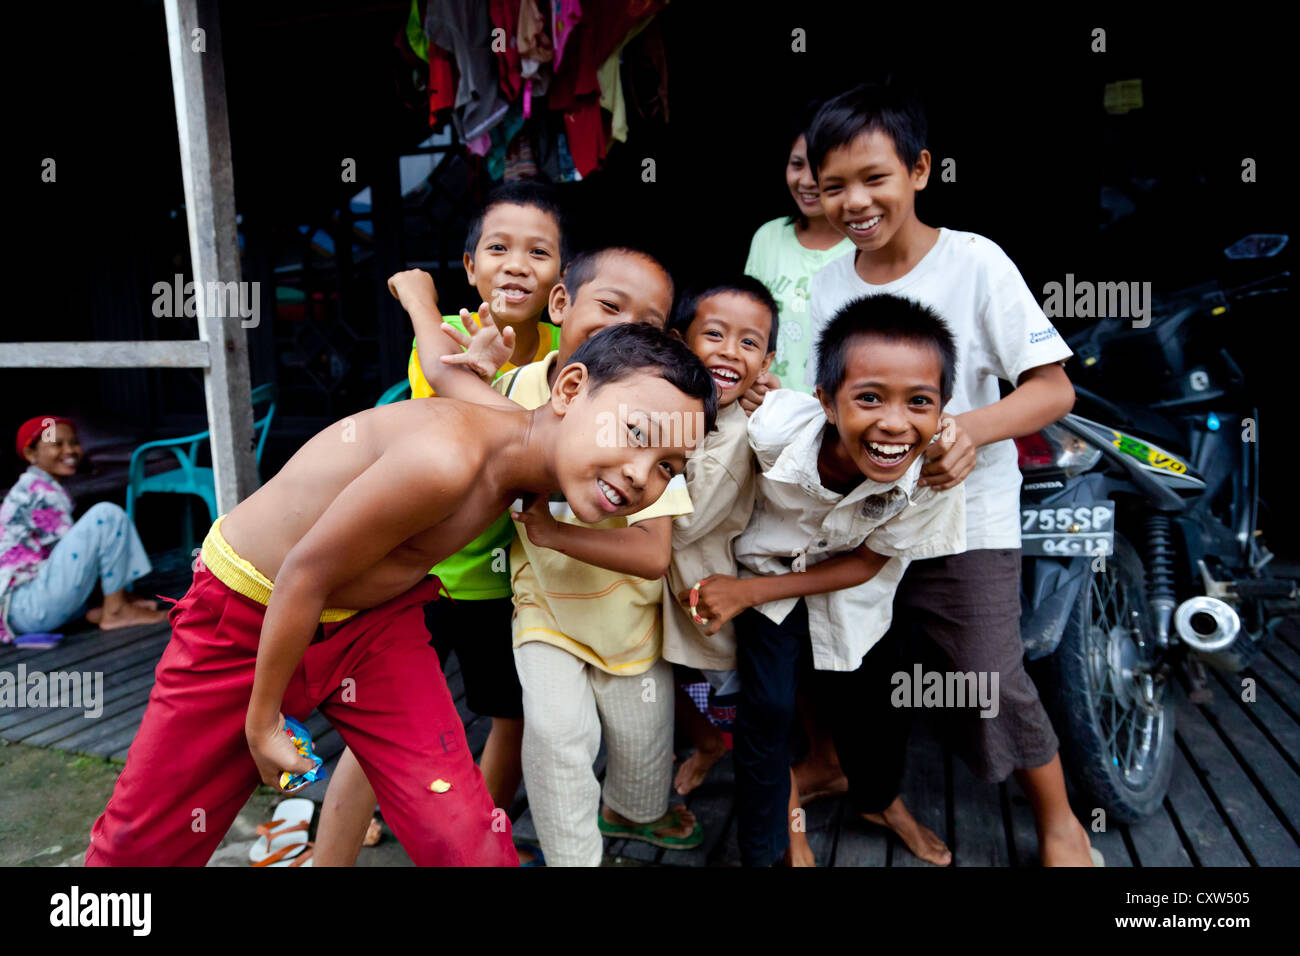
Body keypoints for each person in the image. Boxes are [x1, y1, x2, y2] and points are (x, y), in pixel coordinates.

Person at [83, 319, 715, 867]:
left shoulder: (530, 442)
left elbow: (452, 374)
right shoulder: (448, 459)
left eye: (669, 466)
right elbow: (306, 572)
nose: (641, 473)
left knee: (462, 830)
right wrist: (263, 719)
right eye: (635, 433)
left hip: (375, 628)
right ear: (570, 390)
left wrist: (438, 322)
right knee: (145, 840)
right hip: (249, 614)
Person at [321, 247, 708, 867]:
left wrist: (555, 535)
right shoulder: (521, 390)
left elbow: (653, 553)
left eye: (649, 324)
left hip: (630, 628)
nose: (624, 329)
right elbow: (450, 390)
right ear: (562, 306)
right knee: (556, 741)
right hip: (542, 613)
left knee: (640, 758)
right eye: (610, 306)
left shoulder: (661, 424)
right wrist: (437, 321)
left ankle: (626, 811)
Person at [801, 81, 1094, 866]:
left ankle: (1060, 819)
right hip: (865, 517)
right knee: (840, 654)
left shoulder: (975, 262)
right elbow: (819, 401)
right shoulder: (828, 285)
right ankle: (838, 767)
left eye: (873, 178)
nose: (853, 202)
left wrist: (968, 428)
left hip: (969, 518)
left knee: (989, 673)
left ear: (921, 170)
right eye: (833, 187)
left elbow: (1052, 387)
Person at [320, 180, 567, 862]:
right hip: (418, 569)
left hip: (499, 578)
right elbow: (467, 405)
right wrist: (426, 308)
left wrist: (418, 298)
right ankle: (330, 855)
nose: (517, 263)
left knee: (508, 714)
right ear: (470, 267)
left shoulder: (561, 351)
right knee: (379, 725)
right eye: (499, 248)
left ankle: (475, 835)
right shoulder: (449, 338)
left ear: (559, 279)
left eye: (538, 252)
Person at [690, 293, 966, 868]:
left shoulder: (933, 480)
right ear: (827, 403)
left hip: (850, 593)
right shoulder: (774, 430)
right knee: (767, 710)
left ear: (943, 411)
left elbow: (868, 564)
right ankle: (779, 846)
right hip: (767, 569)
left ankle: (881, 801)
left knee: (878, 706)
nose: (893, 423)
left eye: (920, 401)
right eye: (868, 398)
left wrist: (746, 593)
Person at [1, 416, 166, 644]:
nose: (70, 450)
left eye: (74, 442)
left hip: (23, 610)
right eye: (57, 444)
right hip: (26, 607)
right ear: (31, 454)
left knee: (104, 524)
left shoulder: (37, 486)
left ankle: (112, 604)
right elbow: (76, 562)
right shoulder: (40, 491)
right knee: (105, 515)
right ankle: (116, 611)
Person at [743, 100, 855, 399]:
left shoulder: (864, 248)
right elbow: (745, 325)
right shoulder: (769, 237)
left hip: (833, 419)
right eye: (796, 165)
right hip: (765, 408)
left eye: (819, 168)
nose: (806, 180)